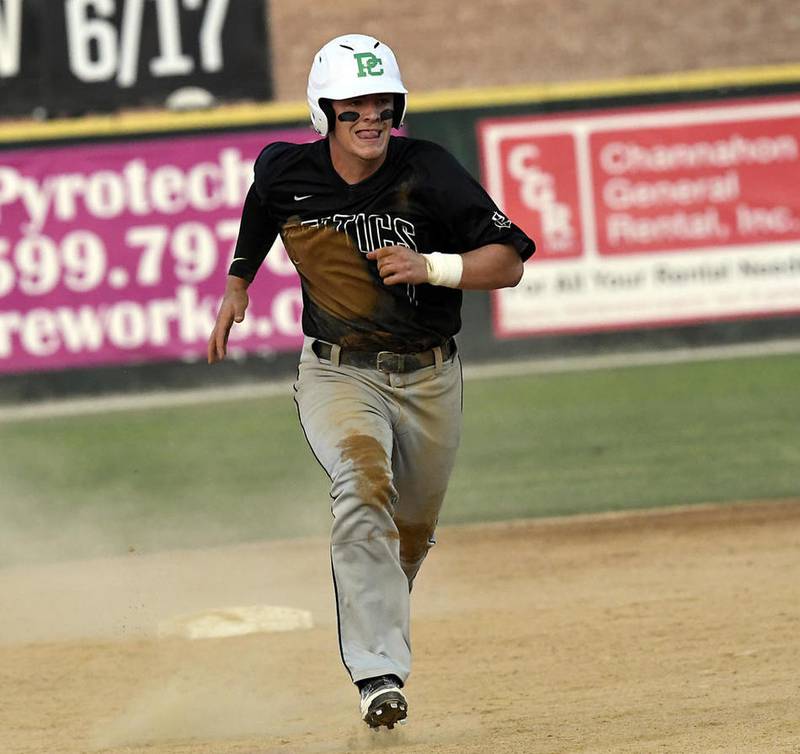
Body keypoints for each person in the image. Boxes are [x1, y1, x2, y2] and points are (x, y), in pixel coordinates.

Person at [207, 33, 535, 729]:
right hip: (338, 372)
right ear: (324, 109)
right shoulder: (285, 169)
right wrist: (239, 279)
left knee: (407, 537)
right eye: (353, 104)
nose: (370, 115)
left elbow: (507, 260)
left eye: (381, 101)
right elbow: (264, 204)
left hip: (430, 378)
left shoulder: (429, 170)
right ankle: (377, 675)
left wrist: (433, 267)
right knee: (362, 487)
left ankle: (372, 614)